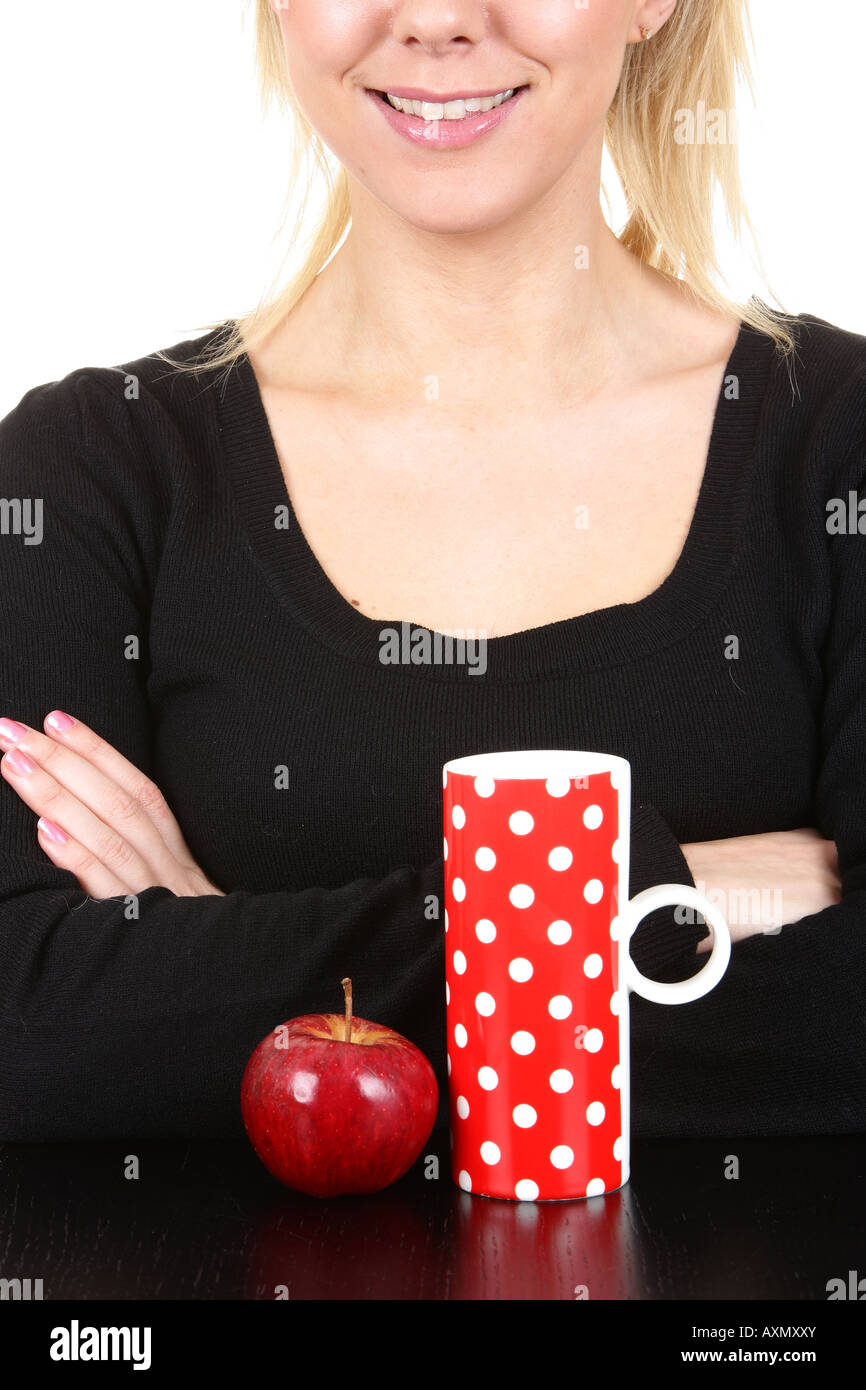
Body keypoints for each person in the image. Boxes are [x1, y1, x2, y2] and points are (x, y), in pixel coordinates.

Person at [0, 0, 863, 1145]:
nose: (440, 19)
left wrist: (240, 975)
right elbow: (36, 1045)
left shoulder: (837, 449)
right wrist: (634, 895)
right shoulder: (91, 469)